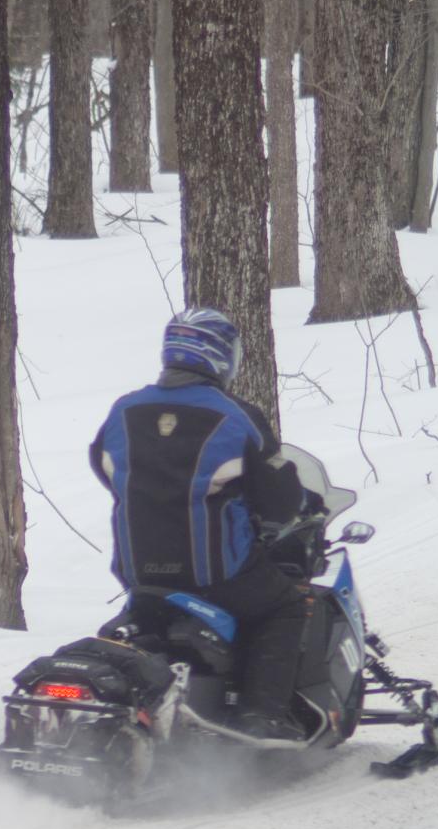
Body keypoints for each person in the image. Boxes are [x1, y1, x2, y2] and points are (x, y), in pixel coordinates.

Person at [88, 307, 313, 743]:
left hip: (140, 573)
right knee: (284, 606)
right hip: (216, 575)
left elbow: (104, 468)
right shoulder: (235, 416)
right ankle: (262, 715)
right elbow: (281, 499)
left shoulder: (124, 410)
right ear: (222, 356)